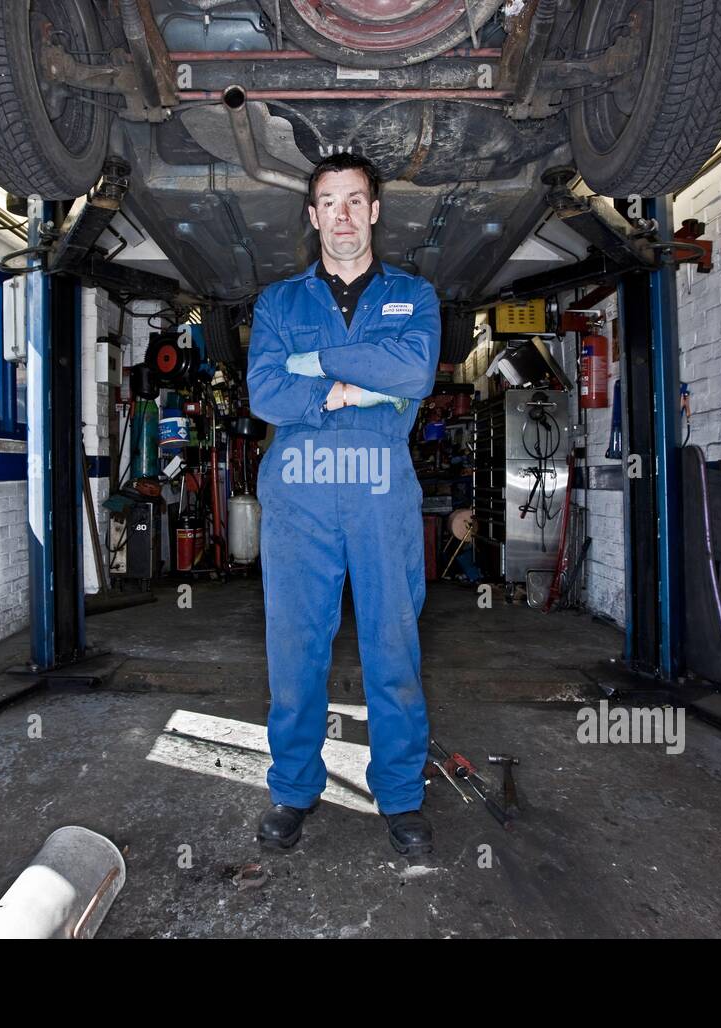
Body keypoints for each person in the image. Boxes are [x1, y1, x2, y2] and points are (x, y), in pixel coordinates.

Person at [245, 152, 441, 856]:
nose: (344, 215)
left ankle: (399, 794)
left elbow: (414, 370)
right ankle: (294, 789)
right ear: (313, 214)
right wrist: (364, 378)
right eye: (330, 202)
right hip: (298, 489)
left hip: (381, 484)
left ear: (376, 210)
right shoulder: (278, 303)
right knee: (295, 650)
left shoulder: (414, 296)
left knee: (393, 646)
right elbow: (264, 392)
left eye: (356, 200)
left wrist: (317, 364)